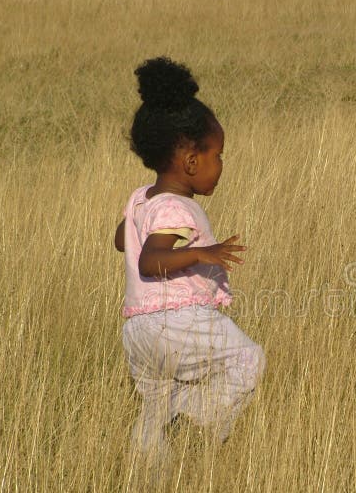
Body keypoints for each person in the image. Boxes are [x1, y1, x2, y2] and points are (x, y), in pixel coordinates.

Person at [113, 56, 265, 460]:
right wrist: (202, 252)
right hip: (175, 320)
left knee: (156, 405)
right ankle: (195, 419)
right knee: (249, 360)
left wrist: (138, 225)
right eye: (218, 155)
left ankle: (148, 478)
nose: (221, 165)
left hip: (138, 331)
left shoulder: (142, 199)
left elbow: (121, 240)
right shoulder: (179, 209)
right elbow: (150, 260)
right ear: (192, 161)